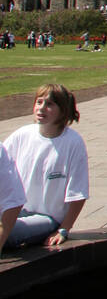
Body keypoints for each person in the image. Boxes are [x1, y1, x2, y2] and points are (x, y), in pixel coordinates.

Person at [2, 85, 89, 253]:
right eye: (39, 102)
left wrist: (64, 229)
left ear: (63, 110)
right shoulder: (22, 134)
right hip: (15, 211)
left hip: (46, 218)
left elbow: (78, 194)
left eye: (49, 104)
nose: (41, 108)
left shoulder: (73, 142)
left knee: (8, 233)